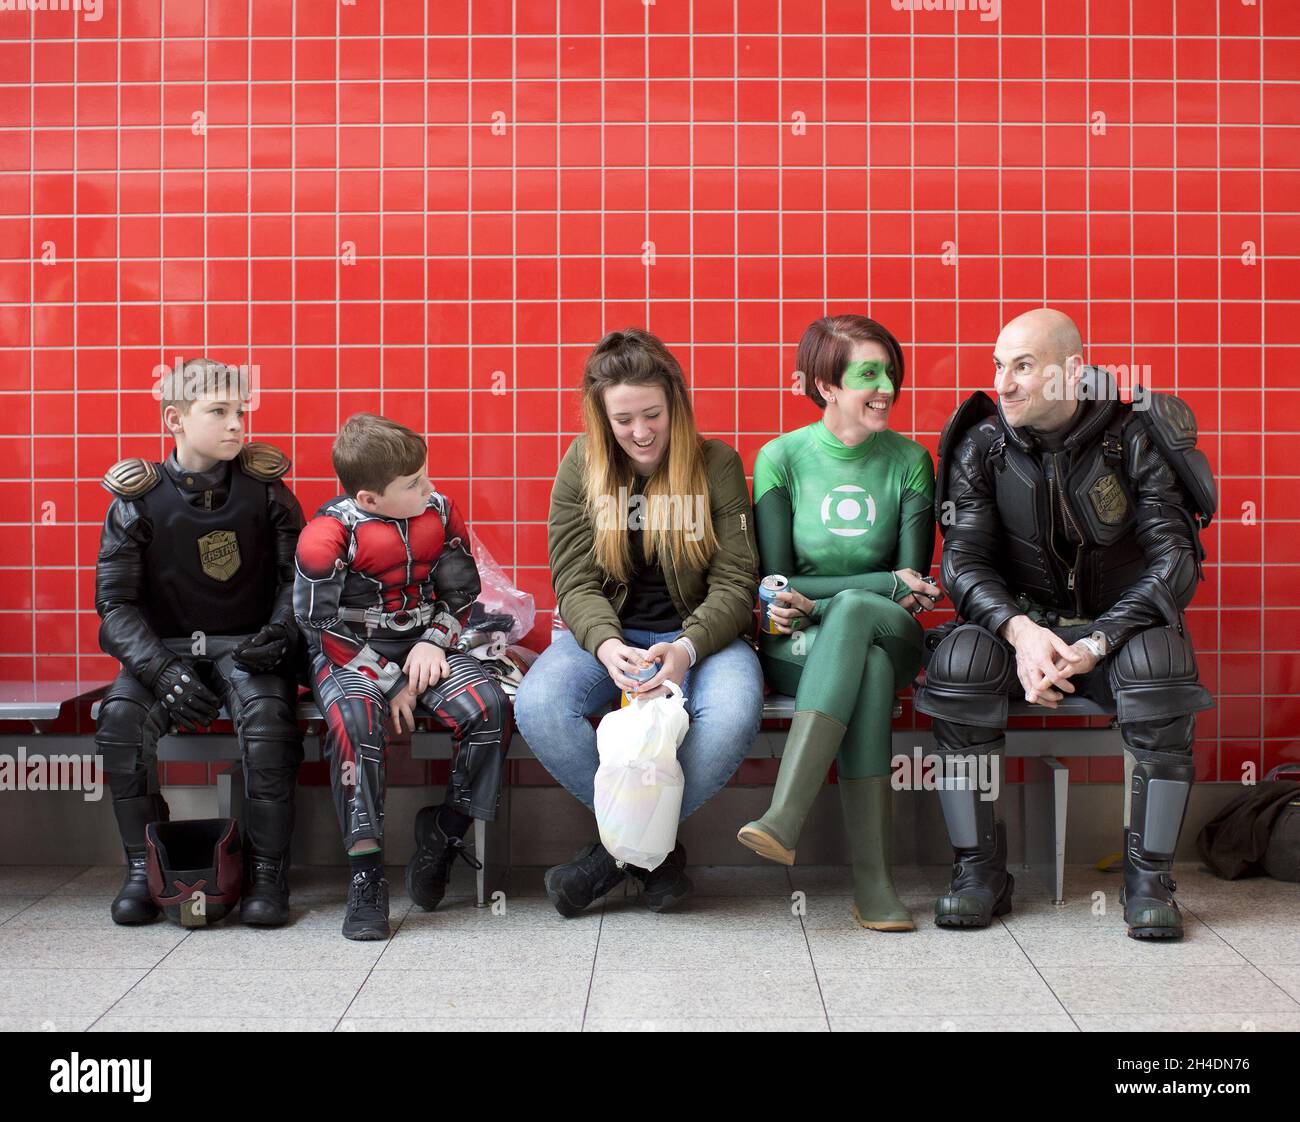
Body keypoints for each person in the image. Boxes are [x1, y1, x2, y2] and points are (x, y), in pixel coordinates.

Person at [915, 308, 1216, 939]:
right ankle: (979, 872)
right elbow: (962, 563)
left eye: (1023, 365)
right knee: (960, 665)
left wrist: (1099, 639)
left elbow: (1176, 560)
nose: (1004, 382)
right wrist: (1021, 634)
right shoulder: (982, 444)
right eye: (999, 365)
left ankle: (1149, 877)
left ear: (1072, 372)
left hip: (1119, 634)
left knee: (1162, 667)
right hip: (1022, 635)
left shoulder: (1136, 435)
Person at [513, 328, 764, 916]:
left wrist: (685, 648)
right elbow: (573, 579)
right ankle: (658, 856)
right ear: (603, 418)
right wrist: (604, 645)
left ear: (676, 402)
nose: (642, 432)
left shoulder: (716, 464)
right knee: (540, 705)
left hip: (703, 635)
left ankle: (614, 858)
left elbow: (735, 581)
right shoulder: (582, 465)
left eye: (653, 414)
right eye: (624, 420)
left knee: (732, 714)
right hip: (609, 636)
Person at [736, 315, 940, 931]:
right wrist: (879, 585)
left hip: (890, 630)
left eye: (890, 372)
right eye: (868, 373)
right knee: (868, 668)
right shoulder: (781, 458)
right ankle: (873, 885)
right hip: (797, 644)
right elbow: (778, 583)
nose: (886, 385)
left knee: (861, 620)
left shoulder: (910, 461)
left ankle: (786, 815)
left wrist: (845, 597)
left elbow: (912, 591)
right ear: (826, 384)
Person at [94, 358, 305, 927]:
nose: (237, 424)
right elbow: (114, 607)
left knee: (269, 726)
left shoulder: (268, 493)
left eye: (241, 411)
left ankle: (266, 874)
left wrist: (281, 634)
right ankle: (145, 869)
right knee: (120, 723)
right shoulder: (135, 500)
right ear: (175, 420)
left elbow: (298, 585)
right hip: (160, 651)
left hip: (248, 647)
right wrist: (161, 671)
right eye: (219, 412)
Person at [294, 414, 512, 940]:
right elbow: (317, 624)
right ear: (370, 498)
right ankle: (366, 877)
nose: (430, 488)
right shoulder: (325, 538)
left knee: (491, 707)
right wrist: (389, 680)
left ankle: (443, 834)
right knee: (354, 722)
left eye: (426, 475)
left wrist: (433, 640)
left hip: (422, 644)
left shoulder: (439, 512)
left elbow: (461, 594)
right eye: (414, 484)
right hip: (350, 652)